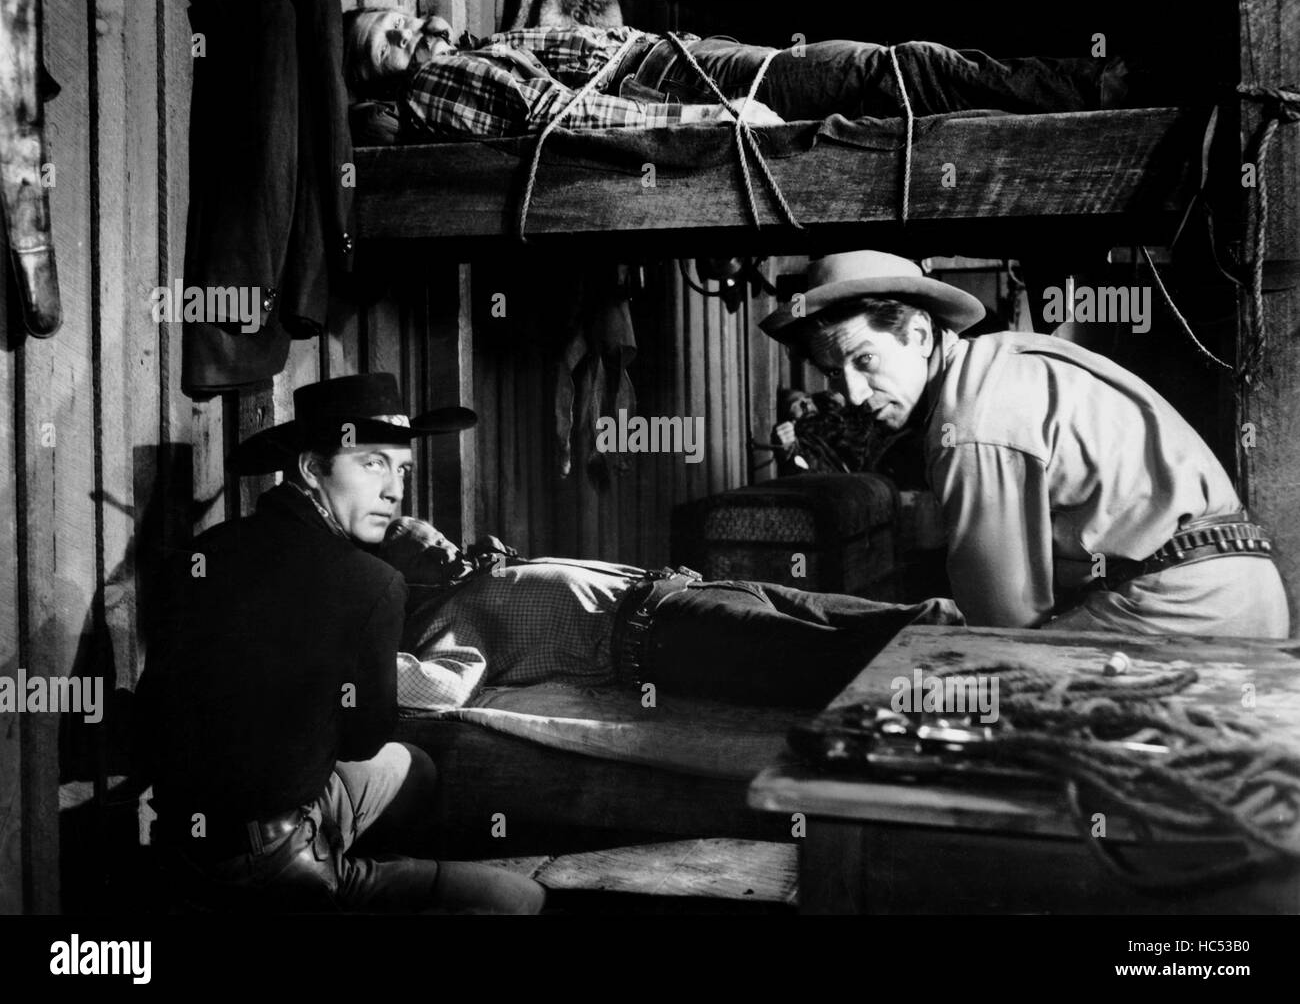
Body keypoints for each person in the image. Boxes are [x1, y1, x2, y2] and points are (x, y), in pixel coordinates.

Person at [134, 373, 545, 914]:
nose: (394, 490)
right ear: (311, 468)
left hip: (177, 839)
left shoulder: (202, 552)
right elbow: (361, 738)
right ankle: (340, 885)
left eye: (401, 469)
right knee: (523, 900)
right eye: (372, 462)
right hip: (273, 866)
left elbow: (156, 712)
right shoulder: (369, 583)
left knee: (414, 767)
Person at [757, 251, 1291, 637]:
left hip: (1186, 609)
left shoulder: (970, 423)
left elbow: (1004, 626)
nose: (850, 392)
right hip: (1239, 590)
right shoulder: (999, 359)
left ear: (920, 334)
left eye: (865, 360)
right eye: (832, 373)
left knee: (987, 694)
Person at [376, 515, 964, 712]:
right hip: (664, 637)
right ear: (400, 576)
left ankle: (998, 651)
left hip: (697, 588)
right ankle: (979, 700)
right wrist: (355, 661)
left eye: (440, 535)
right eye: (423, 547)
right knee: (844, 663)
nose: (445, 545)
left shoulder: (479, 570)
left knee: (906, 617)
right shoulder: (447, 619)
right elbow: (441, 689)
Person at [341, 7, 1134, 140]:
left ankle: (1087, 97)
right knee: (902, 73)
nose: (409, 32)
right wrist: (712, 121)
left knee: (893, 73)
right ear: (379, 79)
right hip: (671, 84)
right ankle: (1098, 94)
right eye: (387, 43)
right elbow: (566, 118)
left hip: (673, 60)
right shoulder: (438, 83)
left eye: (398, 20)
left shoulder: (463, 47)